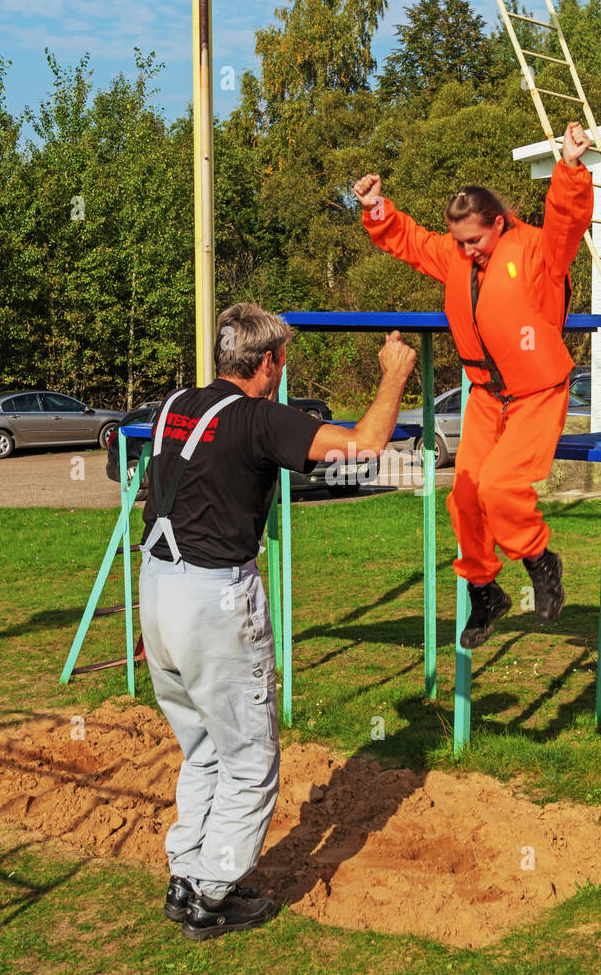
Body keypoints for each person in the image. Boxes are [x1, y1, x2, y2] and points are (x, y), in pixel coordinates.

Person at [138, 302, 416, 939]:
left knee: (203, 747)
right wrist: (394, 375)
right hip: (213, 601)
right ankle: (210, 894)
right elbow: (365, 448)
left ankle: (187, 873)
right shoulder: (258, 419)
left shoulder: (175, 406)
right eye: (281, 360)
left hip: (159, 586)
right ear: (269, 362)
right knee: (250, 757)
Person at [354, 121, 593, 649]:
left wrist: (571, 168)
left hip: (537, 393)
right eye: (460, 241)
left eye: (476, 240)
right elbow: (411, 241)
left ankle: (539, 560)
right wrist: (376, 208)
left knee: (500, 486)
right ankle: (485, 592)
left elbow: (567, 222)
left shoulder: (537, 251)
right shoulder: (457, 255)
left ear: (500, 225)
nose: (468, 251)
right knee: (463, 493)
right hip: (485, 396)